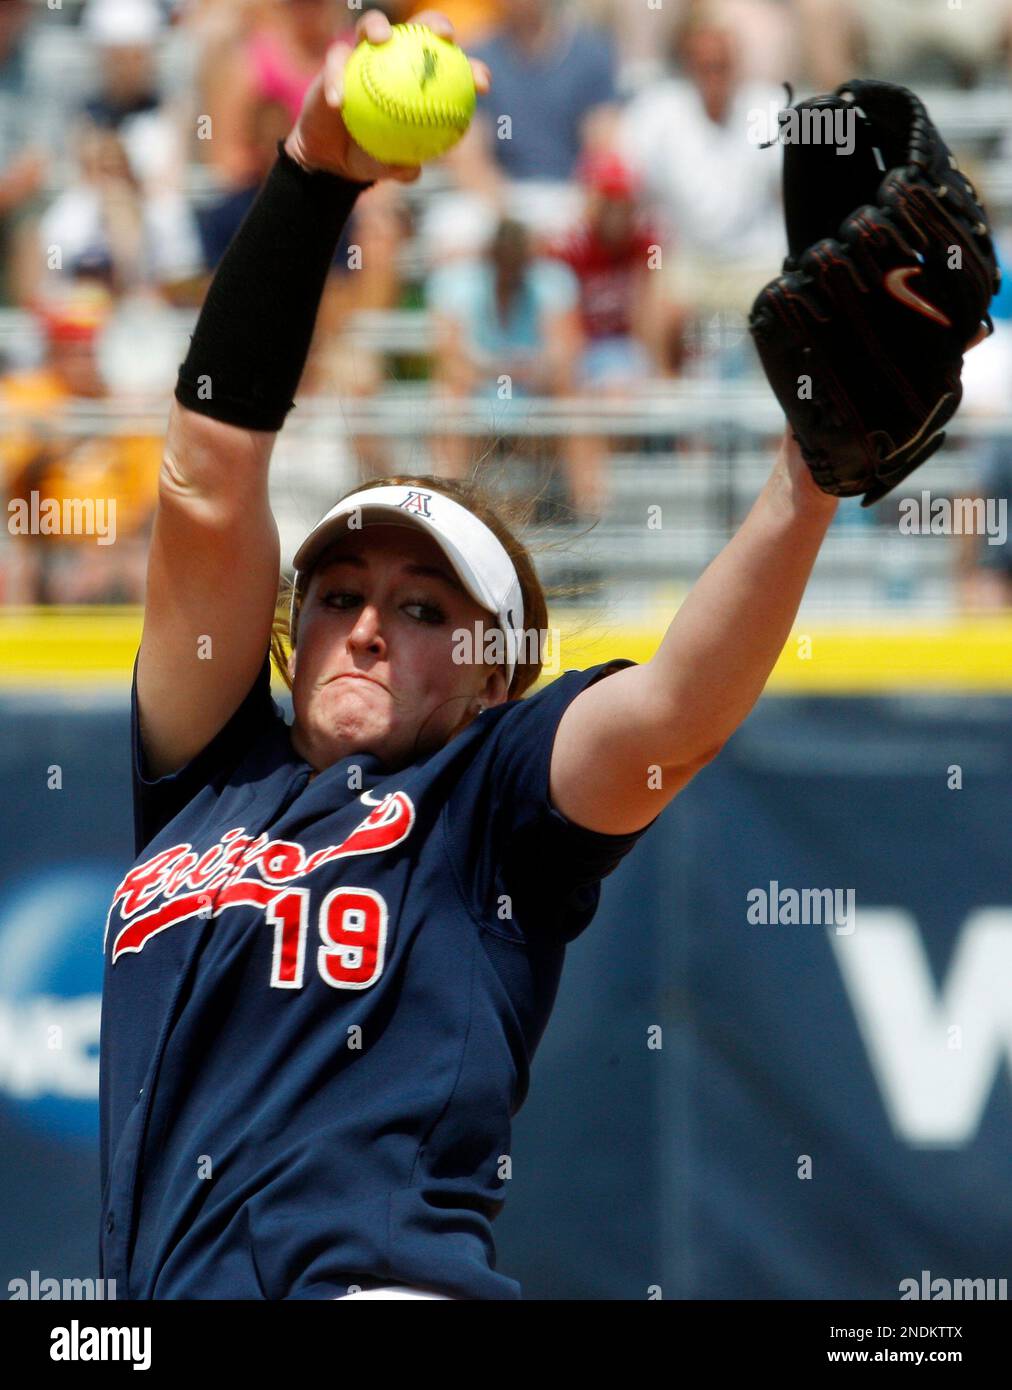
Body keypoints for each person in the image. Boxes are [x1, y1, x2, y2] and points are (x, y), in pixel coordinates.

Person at [98, 9, 839, 1301]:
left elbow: (671, 711)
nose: (371, 620)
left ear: (498, 670)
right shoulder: (204, 775)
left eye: (428, 606)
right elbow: (210, 479)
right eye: (336, 591)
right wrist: (313, 171)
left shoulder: (487, 805)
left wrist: (809, 480)